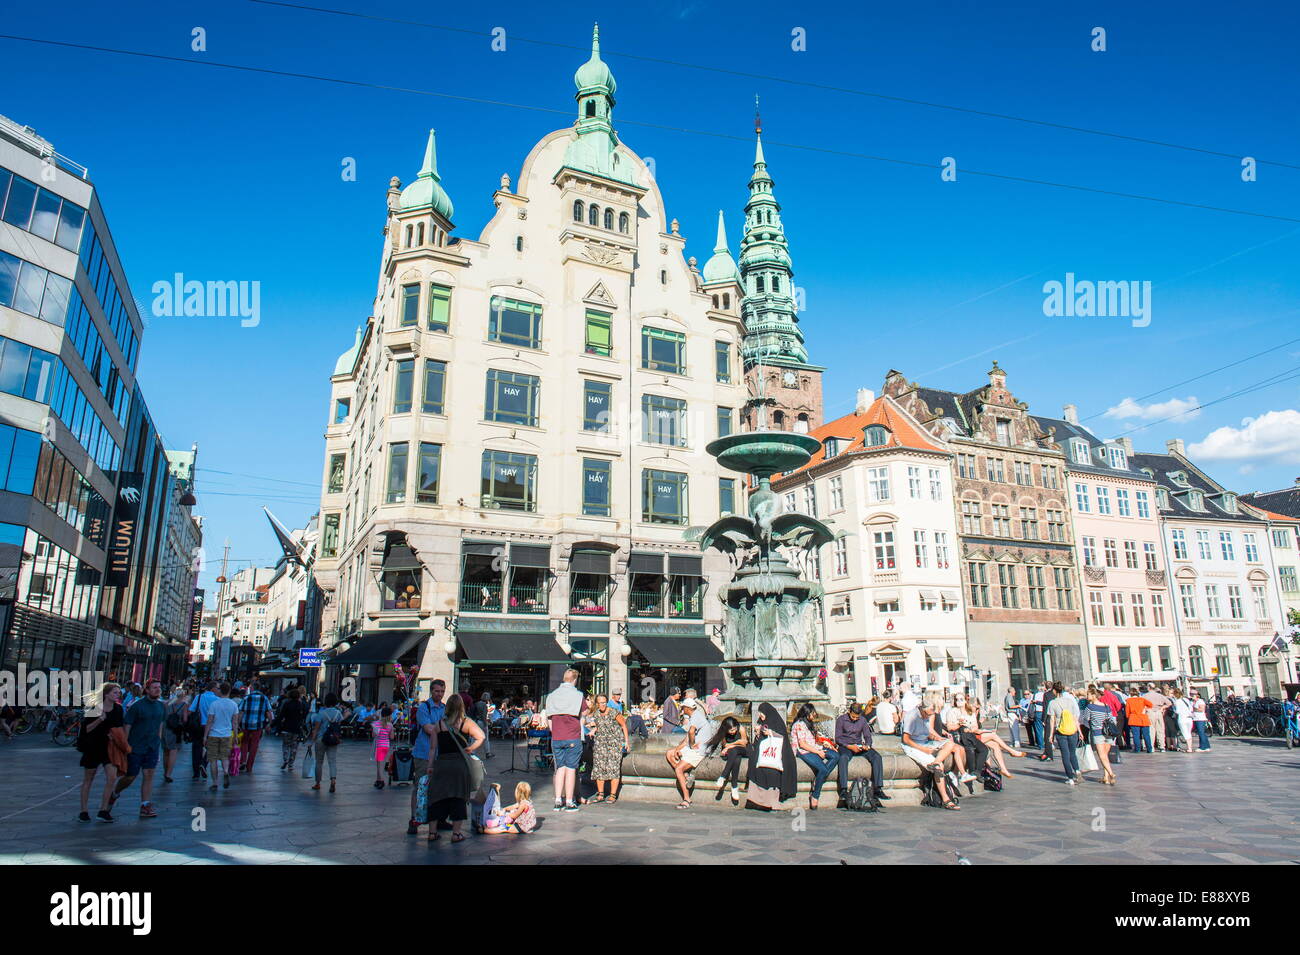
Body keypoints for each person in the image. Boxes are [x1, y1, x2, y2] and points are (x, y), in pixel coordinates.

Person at [422, 693, 485, 843]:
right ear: (462, 706)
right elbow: (481, 736)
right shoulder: (466, 722)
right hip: (459, 765)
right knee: (458, 797)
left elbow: (432, 748)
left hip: (442, 764)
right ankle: (456, 834)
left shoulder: (438, 724)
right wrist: (469, 749)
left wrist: (430, 766)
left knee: (436, 798)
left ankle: (432, 832)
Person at [112, 678, 166, 818]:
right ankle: (115, 792)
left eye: (159, 687)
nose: (157, 690)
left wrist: (158, 742)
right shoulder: (137, 706)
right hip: (135, 747)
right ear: (147, 690)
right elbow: (127, 726)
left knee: (149, 775)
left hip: (152, 746)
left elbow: (160, 725)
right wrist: (125, 746)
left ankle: (145, 805)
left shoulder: (161, 706)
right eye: (154, 687)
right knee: (130, 776)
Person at [78, 683, 126, 823]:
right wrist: (100, 719)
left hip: (109, 748)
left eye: (118, 693)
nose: (118, 695)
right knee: (89, 779)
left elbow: (119, 726)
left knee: (111, 777)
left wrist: (117, 737)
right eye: (115, 692)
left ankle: (103, 810)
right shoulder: (95, 708)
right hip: (93, 746)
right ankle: (83, 811)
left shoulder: (118, 709)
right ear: (106, 694)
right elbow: (86, 729)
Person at [901, 697, 960, 811]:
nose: (930, 716)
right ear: (923, 709)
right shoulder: (911, 717)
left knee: (950, 744)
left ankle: (936, 761)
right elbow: (906, 739)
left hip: (926, 742)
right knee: (940, 767)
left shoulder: (928, 715)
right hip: (914, 745)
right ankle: (945, 799)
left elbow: (927, 733)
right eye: (929, 713)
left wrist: (936, 738)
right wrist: (924, 750)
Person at [407, 680, 447, 834]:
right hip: (423, 753)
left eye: (442, 691)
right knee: (420, 786)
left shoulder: (444, 708)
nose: (440, 694)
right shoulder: (424, 707)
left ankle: (439, 819)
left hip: (439, 754)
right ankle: (414, 819)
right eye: (437, 691)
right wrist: (444, 730)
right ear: (431, 691)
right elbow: (428, 728)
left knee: (439, 788)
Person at [545, 669, 587, 813]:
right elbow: (583, 714)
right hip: (572, 736)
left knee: (559, 768)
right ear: (575, 680)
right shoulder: (578, 695)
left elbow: (549, 718)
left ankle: (558, 800)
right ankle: (569, 801)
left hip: (556, 737)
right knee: (571, 769)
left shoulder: (552, 696)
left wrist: (555, 731)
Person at [835, 701, 888, 809]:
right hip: (846, 746)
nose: (855, 719)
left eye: (857, 717)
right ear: (849, 712)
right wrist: (849, 746)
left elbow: (868, 736)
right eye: (853, 717)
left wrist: (867, 745)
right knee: (843, 758)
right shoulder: (841, 720)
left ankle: (878, 788)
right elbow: (838, 738)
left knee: (877, 757)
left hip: (859, 745)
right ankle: (843, 790)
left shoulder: (863, 720)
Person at [745, 702, 797, 810]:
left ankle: (771, 801)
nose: (760, 715)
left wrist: (772, 733)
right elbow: (758, 742)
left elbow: (783, 738)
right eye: (759, 713)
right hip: (764, 754)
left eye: (761, 713)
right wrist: (758, 732)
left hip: (776, 754)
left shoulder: (777, 722)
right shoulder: (761, 722)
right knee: (755, 767)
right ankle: (757, 800)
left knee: (771, 772)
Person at [666, 696, 710, 808]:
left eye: (683, 707)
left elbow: (691, 732)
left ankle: (687, 799)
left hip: (699, 751)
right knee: (669, 753)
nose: (682, 709)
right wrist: (677, 749)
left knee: (678, 768)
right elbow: (687, 738)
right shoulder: (694, 716)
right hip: (693, 749)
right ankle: (686, 776)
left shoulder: (696, 716)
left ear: (687, 708)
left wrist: (691, 744)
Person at [587, 694, 629, 804]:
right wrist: (594, 730)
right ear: (596, 704)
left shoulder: (614, 712)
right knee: (599, 767)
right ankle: (600, 794)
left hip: (614, 743)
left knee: (613, 768)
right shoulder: (596, 714)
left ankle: (613, 794)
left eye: (604, 702)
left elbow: (624, 725)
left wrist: (626, 742)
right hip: (600, 744)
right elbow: (601, 725)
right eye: (600, 703)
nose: (602, 705)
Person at [203, 683, 241, 791]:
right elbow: (235, 722)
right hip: (227, 734)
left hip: (214, 734)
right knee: (225, 757)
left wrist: (205, 736)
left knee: (213, 759)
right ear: (229, 691)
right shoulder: (233, 704)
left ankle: (215, 782)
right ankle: (225, 771)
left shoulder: (214, 704)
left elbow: (209, 721)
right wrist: (236, 735)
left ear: (220, 691)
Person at [1044, 681, 1083, 784]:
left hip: (1060, 731)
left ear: (1054, 690)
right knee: (1072, 753)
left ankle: (1070, 778)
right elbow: (1075, 718)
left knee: (1065, 754)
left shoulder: (1052, 703)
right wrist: (1080, 732)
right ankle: (1077, 770)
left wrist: (1050, 735)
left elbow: (1052, 720)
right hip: (1072, 730)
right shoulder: (1070, 701)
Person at [307, 692, 344, 793]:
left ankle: (318, 783)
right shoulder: (338, 713)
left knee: (319, 762)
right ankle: (333, 780)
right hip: (333, 739)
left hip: (321, 739)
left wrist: (312, 741)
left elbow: (316, 729)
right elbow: (338, 725)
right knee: (332, 761)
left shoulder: (321, 713)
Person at [707, 716, 748, 806]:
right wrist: (730, 746)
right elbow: (725, 745)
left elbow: (744, 742)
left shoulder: (741, 728)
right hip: (733, 753)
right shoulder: (724, 732)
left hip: (743, 750)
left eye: (734, 729)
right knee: (736, 758)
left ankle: (723, 776)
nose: (733, 732)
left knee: (734, 751)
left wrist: (731, 745)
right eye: (731, 730)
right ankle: (734, 787)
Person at [1082, 686, 1117, 785]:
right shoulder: (1106, 706)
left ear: (1093, 695)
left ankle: (1111, 773)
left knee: (1102, 756)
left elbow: (1086, 719)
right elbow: (1111, 719)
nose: (1087, 696)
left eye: (1088, 694)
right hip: (1108, 733)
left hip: (1097, 733)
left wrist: (1091, 726)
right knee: (1105, 756)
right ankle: (1105, 777)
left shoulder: (1090, 707)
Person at [238, 681, 272, 773]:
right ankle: (249, 766)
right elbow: (269, 712)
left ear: (252, 688)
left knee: (244, 742)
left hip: (246, 724)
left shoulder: (246, 698)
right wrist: (270, 723)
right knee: (254, 744)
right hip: (258, 725)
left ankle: (243, 760)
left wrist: (237, 724)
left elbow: (241, 712)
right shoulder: (264, 698)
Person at [187, 680, 218, 779]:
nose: (218, 690)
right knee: (210, 746)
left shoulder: (199, 697)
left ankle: (196, 772)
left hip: (198, 725)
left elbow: (191, 710)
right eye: (217, 688)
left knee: (196, 747)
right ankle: (203, 763)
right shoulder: (217, 699)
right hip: (211, 726)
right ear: (213, 688)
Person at [161, 685, 190, 784]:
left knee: (166, 751)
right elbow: (185, 719)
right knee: (173, 751)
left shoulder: (166, 703)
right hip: (176, 729)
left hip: (166, 728)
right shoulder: (184, 704)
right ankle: (169, 774)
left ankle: (165, 772)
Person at [277, 686, 309, 771]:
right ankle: (291, 764)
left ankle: (285, 759)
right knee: (294, 747)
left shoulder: (286, 703)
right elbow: (305, 713)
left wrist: (275, 725)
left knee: (286, 745)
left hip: (286, 727)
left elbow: (281, 715)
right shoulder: (301, 704)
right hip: (297, 728)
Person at [1141, 683, 1171, 753]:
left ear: (1148, 687)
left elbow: (1142, 705)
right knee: (1160, 729)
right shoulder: (1160, 695)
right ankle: (1162, 746)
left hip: (1150, 712)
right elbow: (1169, 703)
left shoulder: (1145, 696)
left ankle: (1151, 746)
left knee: (1151, 730)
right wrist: (1162, 708)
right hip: (1158, 712)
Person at [1124, 687, 1154, 753]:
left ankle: (1137, 749)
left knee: (1136, 735)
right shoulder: (1142, 699)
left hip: (1134, 718)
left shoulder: (1128, 700)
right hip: (1143, 718)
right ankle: (1149, 749)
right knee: (1146, 735)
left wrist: (1128, 717)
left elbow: (1127, 712)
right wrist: (1145, 708)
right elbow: (1151, 705)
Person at [372, 704, 394, 789]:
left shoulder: (376, 723)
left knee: (379, 764)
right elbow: (392, 737)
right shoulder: (390, 725)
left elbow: (374, 735)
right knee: (381, 762)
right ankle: (378, 780)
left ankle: (381, 780)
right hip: (386, 745)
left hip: (379, 745)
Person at [1171, 687, 1194, 753]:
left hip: (1182, 718)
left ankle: (1189, 748)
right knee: (1189, 733)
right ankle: (1190, 747)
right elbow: (1191, 709)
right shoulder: (1186, 700)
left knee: (1185, 733)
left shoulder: (1177, 701)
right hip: (1189, 718)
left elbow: (1177, 711)